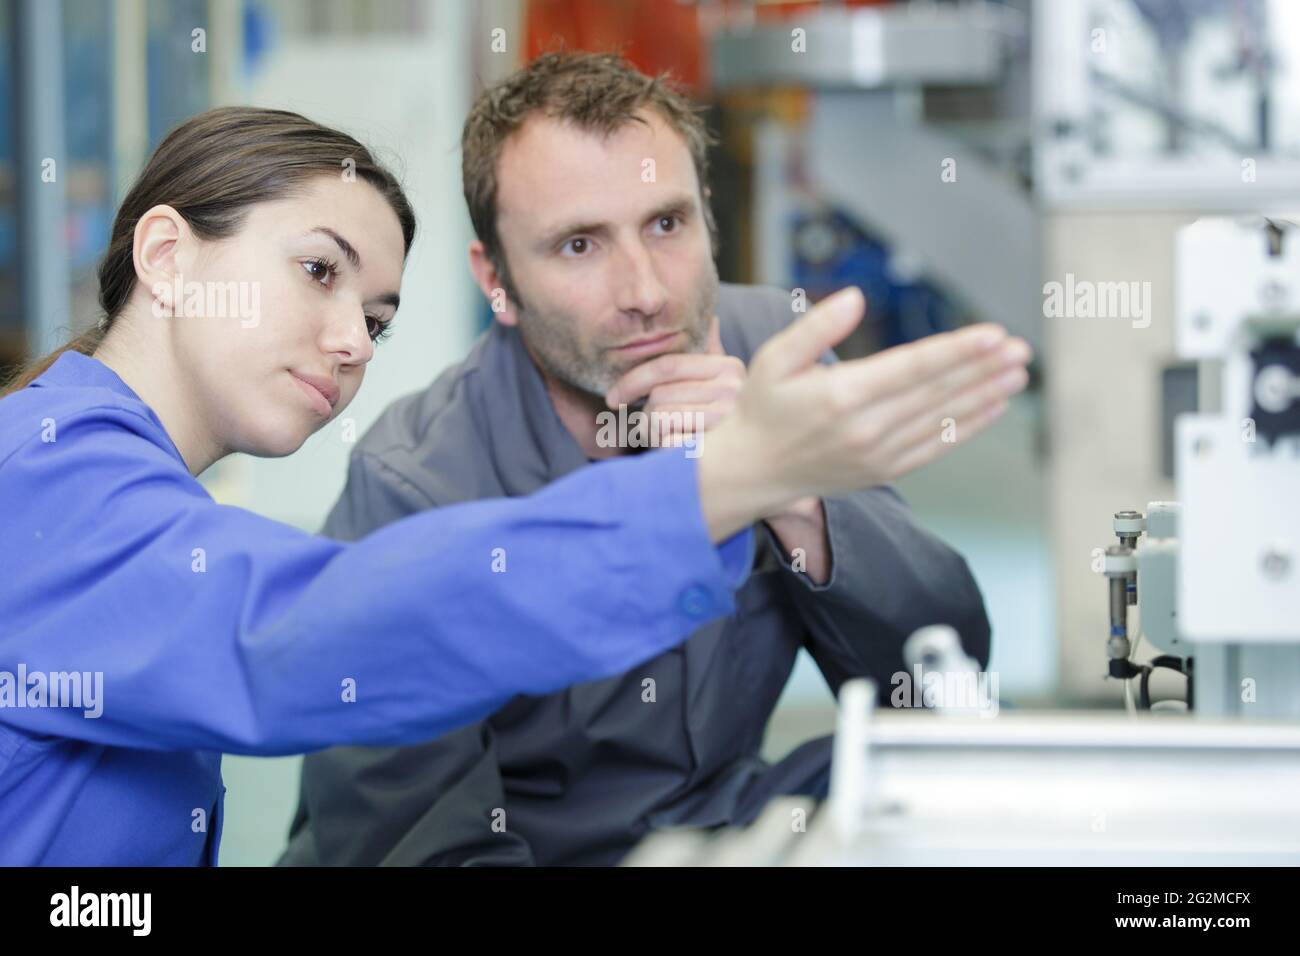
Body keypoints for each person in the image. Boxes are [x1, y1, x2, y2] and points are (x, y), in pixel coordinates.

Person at [0, 106, 1024, 865]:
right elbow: (319, 630)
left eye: (379, 314)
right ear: (168, 256)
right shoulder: (46, 477)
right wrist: (725, 481)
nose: (354, 340)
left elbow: (937, 673)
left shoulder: (92, 470)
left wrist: (797, 501)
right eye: (318, 270)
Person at [279, 53, 1032, 867]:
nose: (644, 291)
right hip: (532, 853)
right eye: (578, 245)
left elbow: (941, 676)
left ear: (708, 217)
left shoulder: (772, 359)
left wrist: (787, 491)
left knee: (964, 801)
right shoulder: (417, 484)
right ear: (496, 281)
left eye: (666, 225)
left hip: (719, 825)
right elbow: (415, 843)